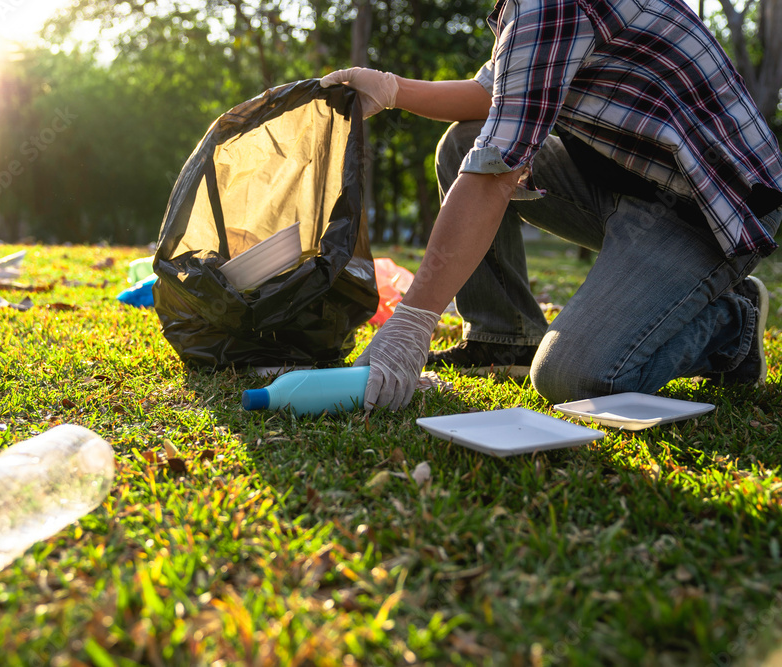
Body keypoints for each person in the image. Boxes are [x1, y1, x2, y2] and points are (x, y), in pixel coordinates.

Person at [321, 0, 782, 412]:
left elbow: (495, 171)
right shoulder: (534, 13)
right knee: (463, 143)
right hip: (633, 181)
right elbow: (492, 95)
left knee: (573, 378)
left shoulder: (550, 6)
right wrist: (391, 89)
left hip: (711, 206)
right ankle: (504, 338)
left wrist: (413, 321)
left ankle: (733, 325)